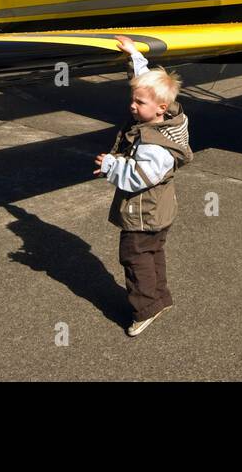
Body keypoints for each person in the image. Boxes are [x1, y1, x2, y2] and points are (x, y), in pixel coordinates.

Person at [94, 35, 191, 337]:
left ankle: (145, 309)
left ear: (160, 107)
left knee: (134, 257)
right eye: (132, 99)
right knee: (153, 253)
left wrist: (110, 165)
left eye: (139, 102)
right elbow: (145, 84)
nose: (132, 106)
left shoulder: (155, 145)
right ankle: (159, 298)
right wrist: (135, 55)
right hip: (158, 211)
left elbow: (138, 176)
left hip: (144, 211)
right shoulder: (170, 115)